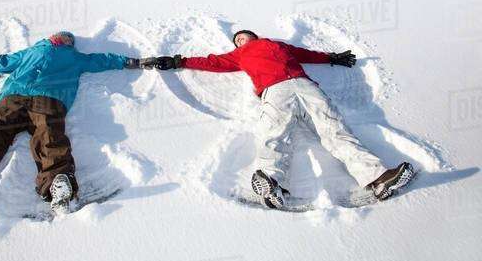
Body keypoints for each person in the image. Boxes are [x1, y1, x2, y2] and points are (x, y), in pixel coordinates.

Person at [153, 29, 414, 209]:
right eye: (237, 40)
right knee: (275, 132)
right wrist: (179, 61)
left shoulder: (278, 45)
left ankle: (378, 178)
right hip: (275, 90)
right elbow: (212, 62)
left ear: (254, 36)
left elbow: (306, 54)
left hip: (306, 85)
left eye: (243, 36)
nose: (241, 40)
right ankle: (271, 181)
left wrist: (332, 58)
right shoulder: (239, 55)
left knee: (335, 130)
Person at [0, 31, 156, 215]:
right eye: (60, 35)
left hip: (50, 98)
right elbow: (1, 61)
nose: (63, 38)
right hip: (13, 97)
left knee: (50, 137)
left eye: (67, 38)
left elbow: (102, 60)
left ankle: (58, 184)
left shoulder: (75, 57)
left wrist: (135, 62)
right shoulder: (30, 52)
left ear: (70, 44)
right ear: (49, 38)